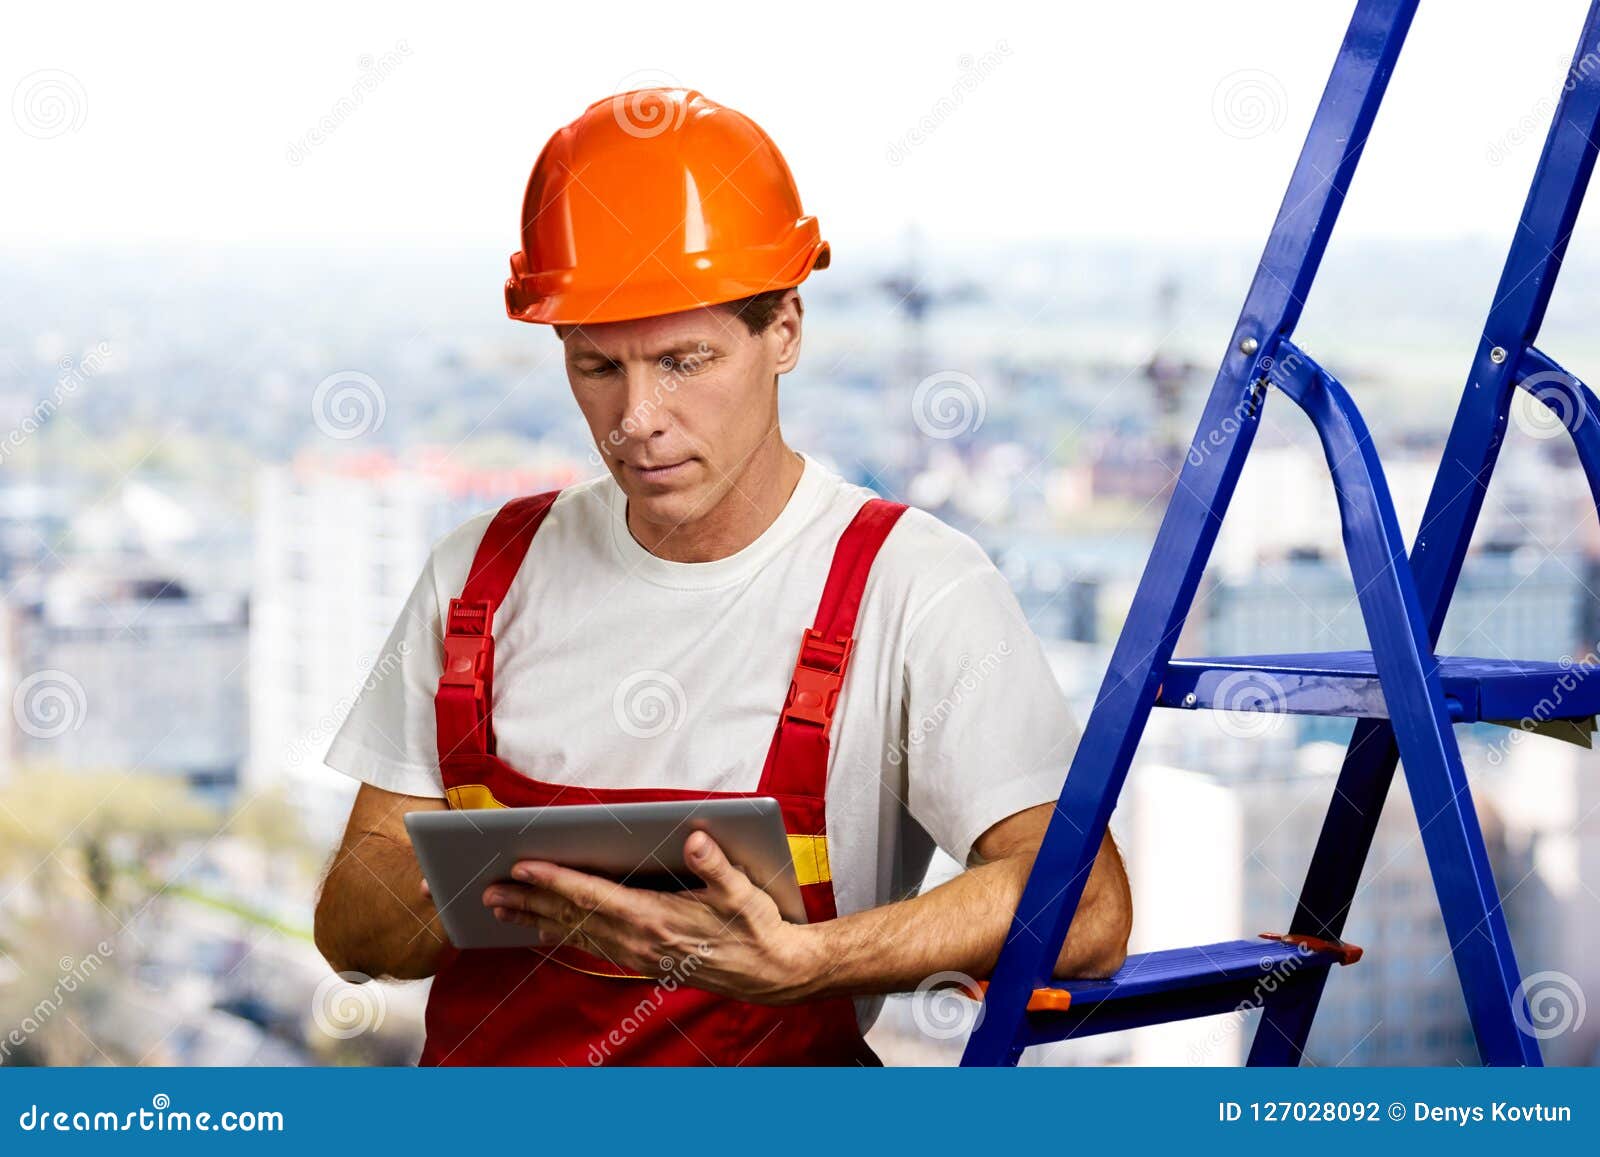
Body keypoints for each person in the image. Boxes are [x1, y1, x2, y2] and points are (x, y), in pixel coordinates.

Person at [313, 87, 1131, 1066]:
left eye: (683, 360)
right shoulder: (482, 577)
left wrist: (803, 961)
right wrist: (501, 886)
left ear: (784, 328)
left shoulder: (912, 588)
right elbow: (351, 933)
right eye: (597, 366)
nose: (637, 416)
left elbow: (1081, 904)